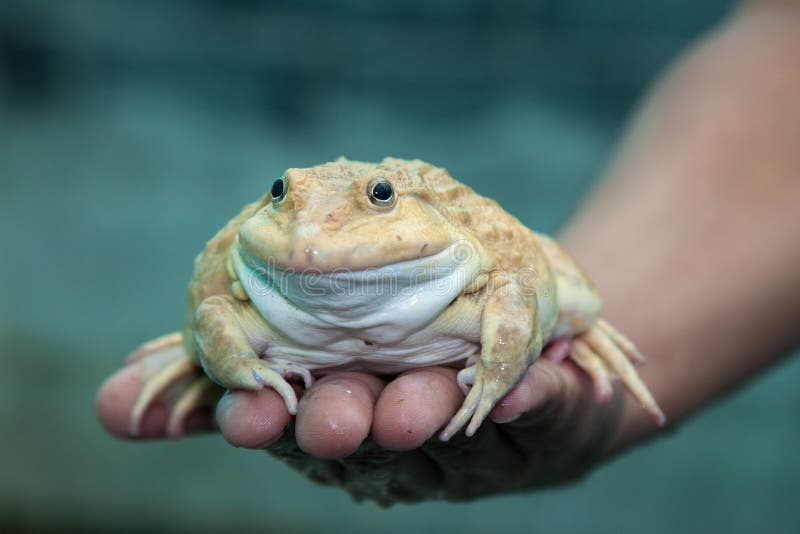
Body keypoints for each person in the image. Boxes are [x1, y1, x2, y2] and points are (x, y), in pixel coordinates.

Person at [96, 0, 800, 505]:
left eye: (375, 200)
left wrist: (500, 368)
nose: (315, 231)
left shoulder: (470, 277)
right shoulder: (256, 276)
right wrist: (231, 361)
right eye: (285, 197)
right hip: (298, 330)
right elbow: (218, 316)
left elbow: (520, 291)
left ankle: (595, 336)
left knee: (579, 302)